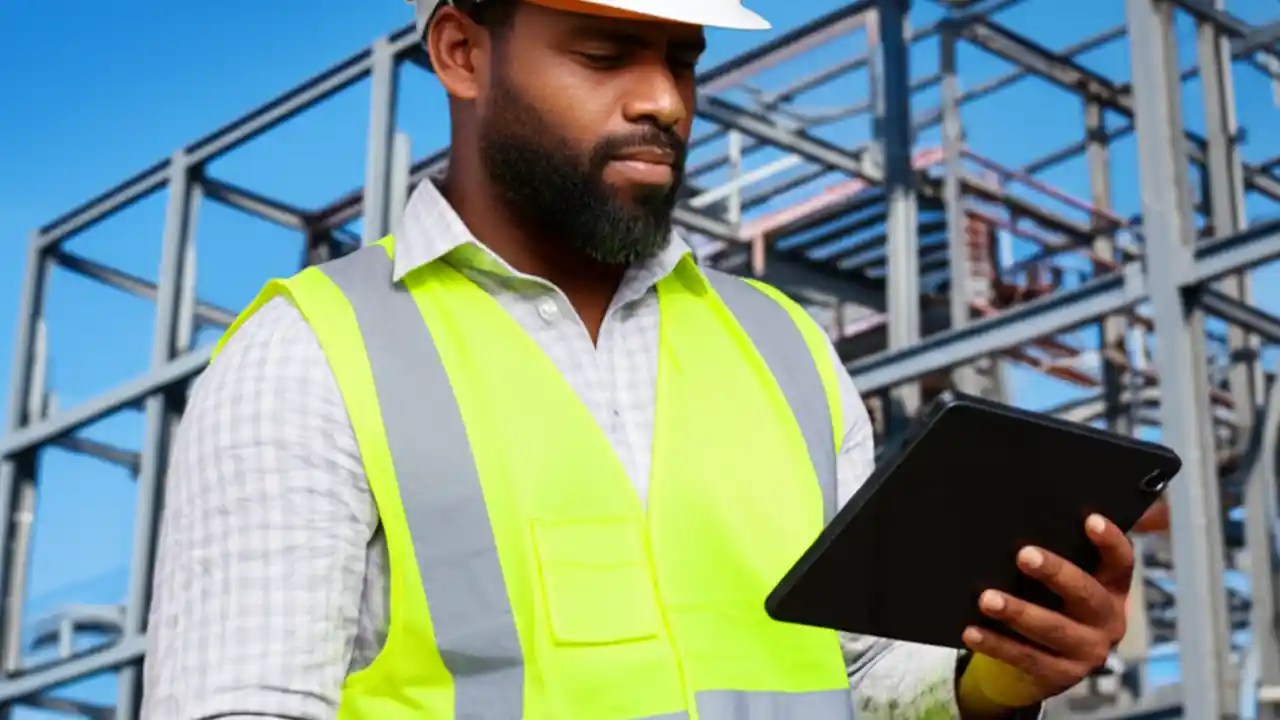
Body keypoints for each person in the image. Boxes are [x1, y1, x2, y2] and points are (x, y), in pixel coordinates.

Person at [141, 0, 1135, 717]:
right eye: (604, 51)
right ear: (460, 51)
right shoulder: (313, 353)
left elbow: (860, 681)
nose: (661, 98)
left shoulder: (786, 349)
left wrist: (994, 677)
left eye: (682, 59)